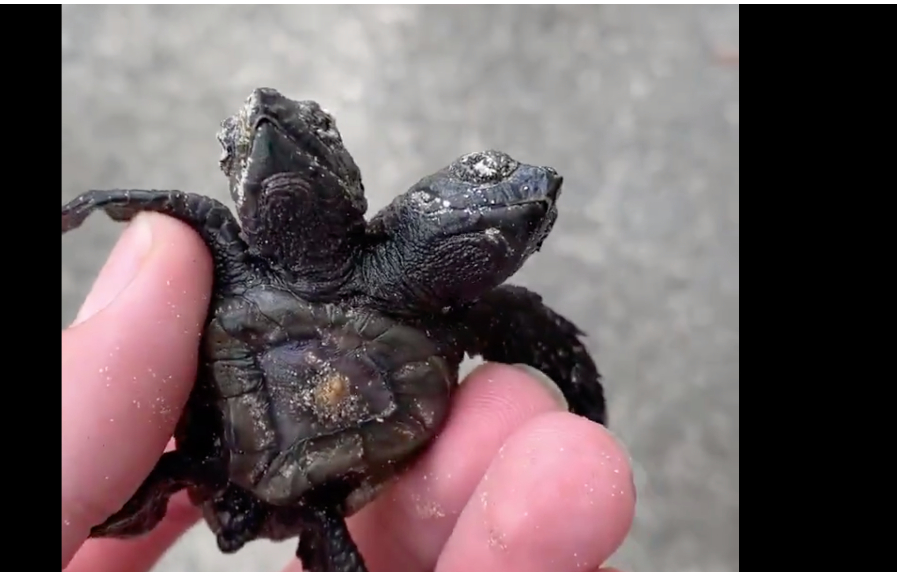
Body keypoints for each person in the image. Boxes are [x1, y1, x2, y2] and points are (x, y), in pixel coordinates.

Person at [62, 213, 636, 572]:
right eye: (526, 226)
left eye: (531, 225)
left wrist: (582, 397)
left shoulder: (462, 318)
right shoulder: (320, 249)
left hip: (301, 492)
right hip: (252, 470)